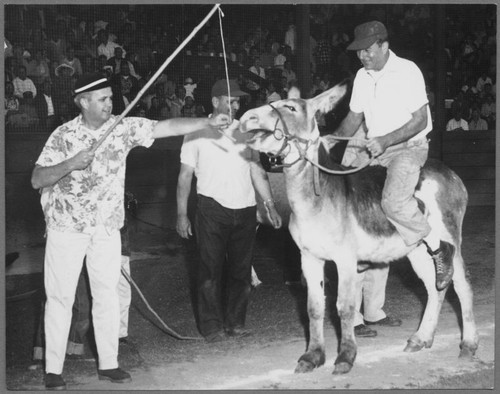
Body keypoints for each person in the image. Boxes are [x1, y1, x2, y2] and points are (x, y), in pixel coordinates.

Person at [30, 72, 231, 390]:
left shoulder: (122, 128)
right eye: (102, 99)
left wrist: (206, 122)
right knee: (60, 297)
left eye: (111, 97)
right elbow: (37, 179)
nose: (111, 103)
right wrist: (70, 163)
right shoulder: (62, 136)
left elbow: (164, 128)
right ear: (83, 103)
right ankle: (54, 370)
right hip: (67, 228)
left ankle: (109, 364)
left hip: (107, 227)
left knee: (107, 295)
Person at [331, 21, 455, 297]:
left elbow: (421, 119)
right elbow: (354, 118)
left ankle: (439, 248)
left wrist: (386, 140)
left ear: (384, 46)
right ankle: (368, 251)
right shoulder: (363, 77)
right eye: (358, 51)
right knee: (354, 198)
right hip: (378, 150)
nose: (362, 56)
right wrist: (331, 140)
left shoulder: (407, 71)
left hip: (409, 148)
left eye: (367, 50)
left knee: (393, 202)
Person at [176, 79, 282, 343]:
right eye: (230, 100)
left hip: (245, 209)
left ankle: (236, 323)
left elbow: (257, 170)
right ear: (215, 102)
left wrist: (269, 204)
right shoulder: (196, 132)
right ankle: (211, 326)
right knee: (209, 271)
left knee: (241, 271)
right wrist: (181, 214)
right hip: (212, 208)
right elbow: (184, 177)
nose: (235, 105)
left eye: (237, 101)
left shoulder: (246, 132)